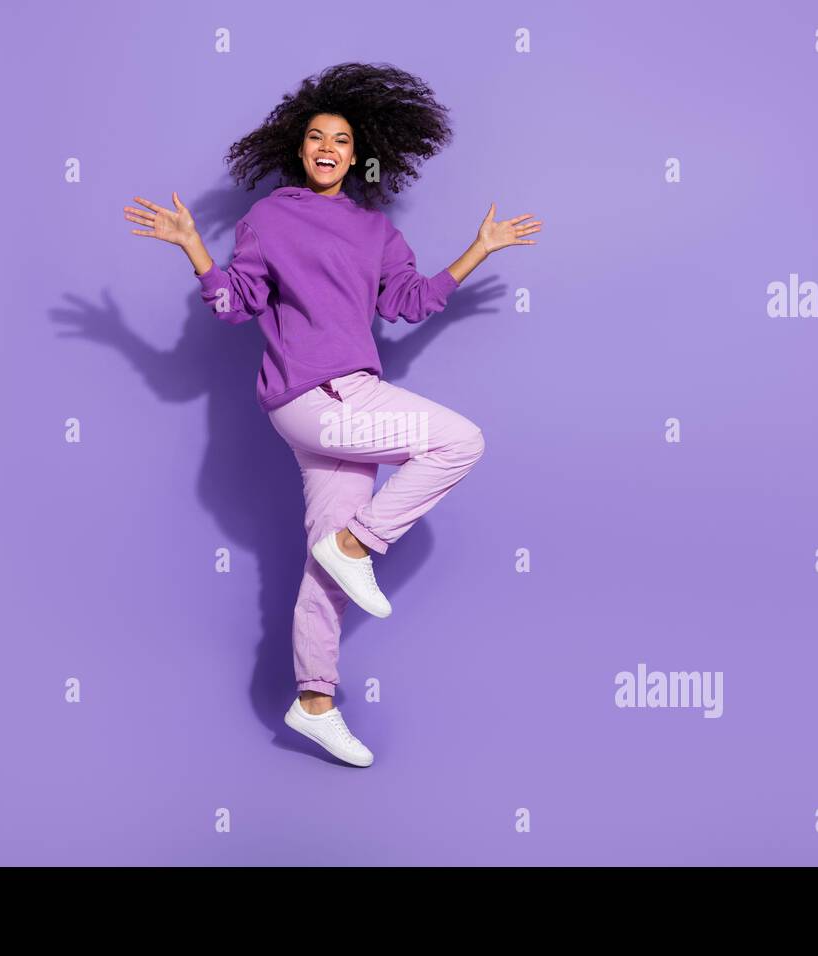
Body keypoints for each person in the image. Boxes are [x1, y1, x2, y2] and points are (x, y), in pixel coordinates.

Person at [123, 62, 540, 767]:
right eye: (315, 136)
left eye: (340, 140)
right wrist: (193, 248)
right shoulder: (269, 218)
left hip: (342, 410)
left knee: (324, 572)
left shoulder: (374, 231)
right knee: (460, 441)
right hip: (318, 397)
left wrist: (479, 250)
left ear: (359, 154)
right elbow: (237, 306)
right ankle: (358, 545)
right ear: (299, 147)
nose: (326, 148)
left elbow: (407, 304)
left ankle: (314, 702)